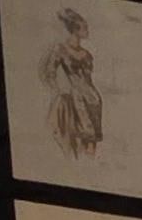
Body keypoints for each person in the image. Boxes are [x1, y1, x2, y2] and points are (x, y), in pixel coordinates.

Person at [42, 9, 103, 160]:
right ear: (75, 30)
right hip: (75, 97)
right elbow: (49, 71)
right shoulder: (61, 49)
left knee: (92, 141)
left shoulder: (87, 54)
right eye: (84, 28)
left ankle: (90, 164)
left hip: (93, 98)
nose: (87, 31)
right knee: (78, 137)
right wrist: (56, 90)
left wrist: (92, 96)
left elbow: (88, 79)